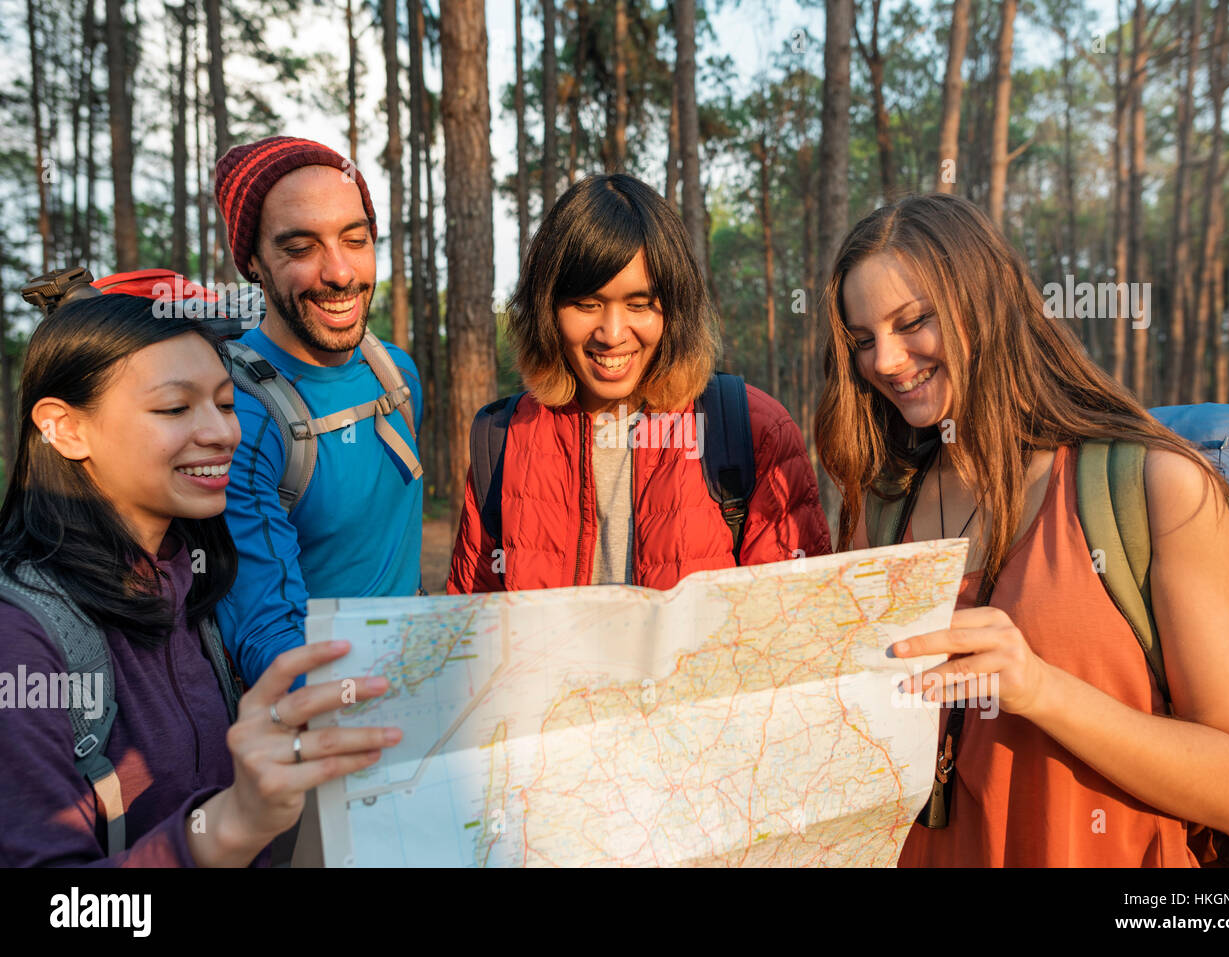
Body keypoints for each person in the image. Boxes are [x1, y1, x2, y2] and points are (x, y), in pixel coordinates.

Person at [814, 193, 1229, 867]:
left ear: (987, 304)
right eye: (862, 340)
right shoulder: (879, 508)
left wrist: (1039, 687)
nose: (884, 360)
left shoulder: (1157, 489)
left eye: (912, 321)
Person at [0, 295, 400, 866]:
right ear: (64, 429)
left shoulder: (192, 582)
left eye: (226, 403)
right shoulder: (21, 639)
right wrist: (226, 828)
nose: (222, 434)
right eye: (173, 409)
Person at [447, 173, 830, 593]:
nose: (612, 333)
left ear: (676, 308)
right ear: (547, 310)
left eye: (640, 304)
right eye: (586, 304)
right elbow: (472, 635)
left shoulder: (754, 432)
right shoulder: (502, 441)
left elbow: (794, 628)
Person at [212, 136, 424, 686]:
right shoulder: (240, 419)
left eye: (355, 240)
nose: (340, 273)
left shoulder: (397, 375)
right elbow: (269, 635)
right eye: (300, 248)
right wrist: (384, 701)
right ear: (254, 263)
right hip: (336, 719)